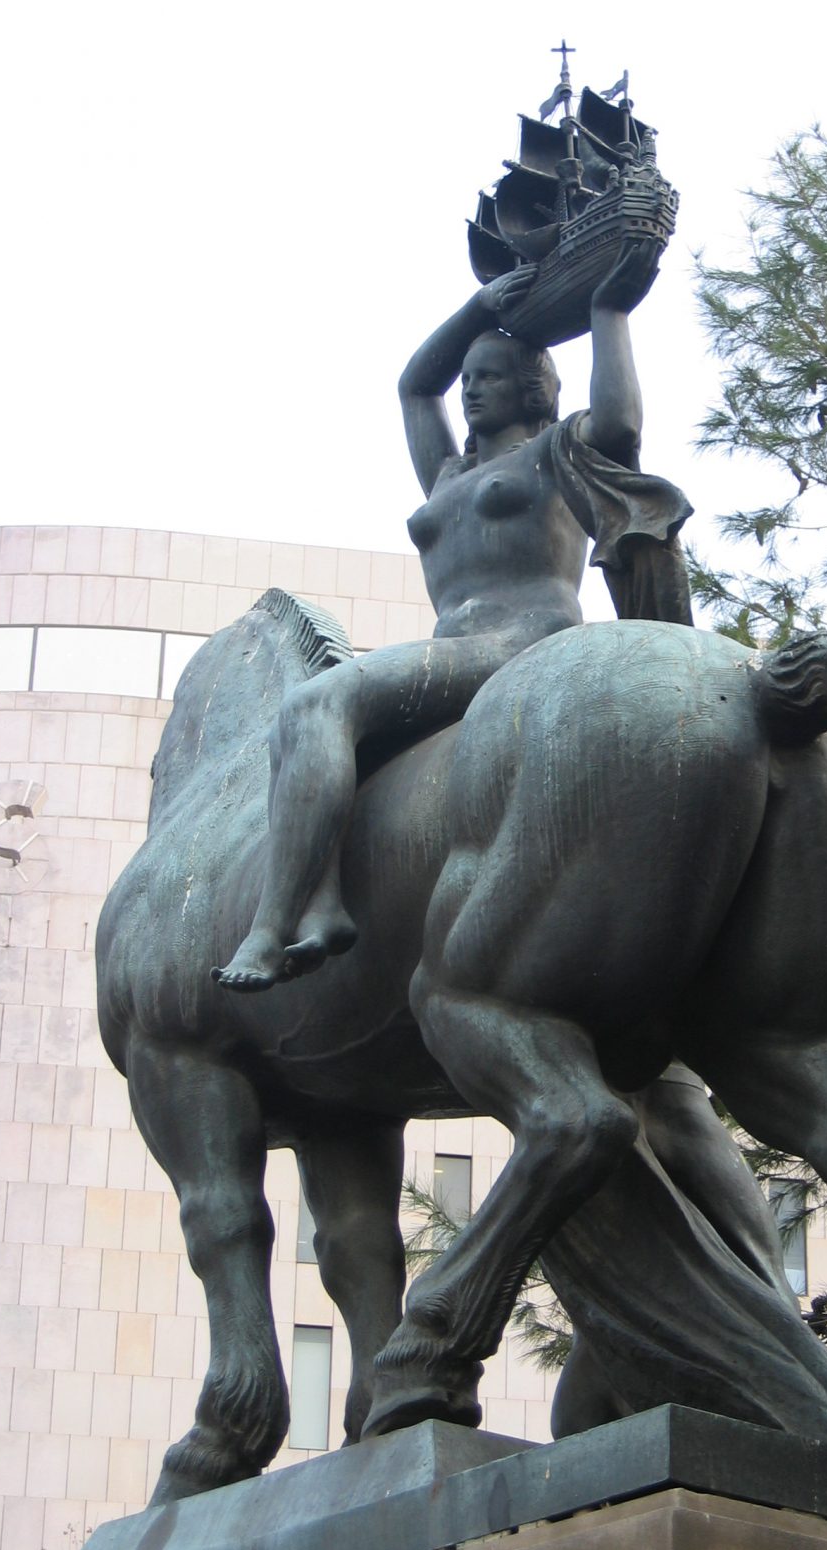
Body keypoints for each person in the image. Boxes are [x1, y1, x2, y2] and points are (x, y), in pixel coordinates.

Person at [213, 244, 692, 990]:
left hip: (524, 639)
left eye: (491, 377)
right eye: (467, 379)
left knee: (316, 701)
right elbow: (413, 386)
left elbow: (622, 423)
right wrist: (481, 307)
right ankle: (325, 903)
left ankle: (269, 929)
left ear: (533, 390)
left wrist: (606, 312)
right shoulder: (445, 470)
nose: (470, 391)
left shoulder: (553, 452)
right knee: (308, 741)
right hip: (454, 648)